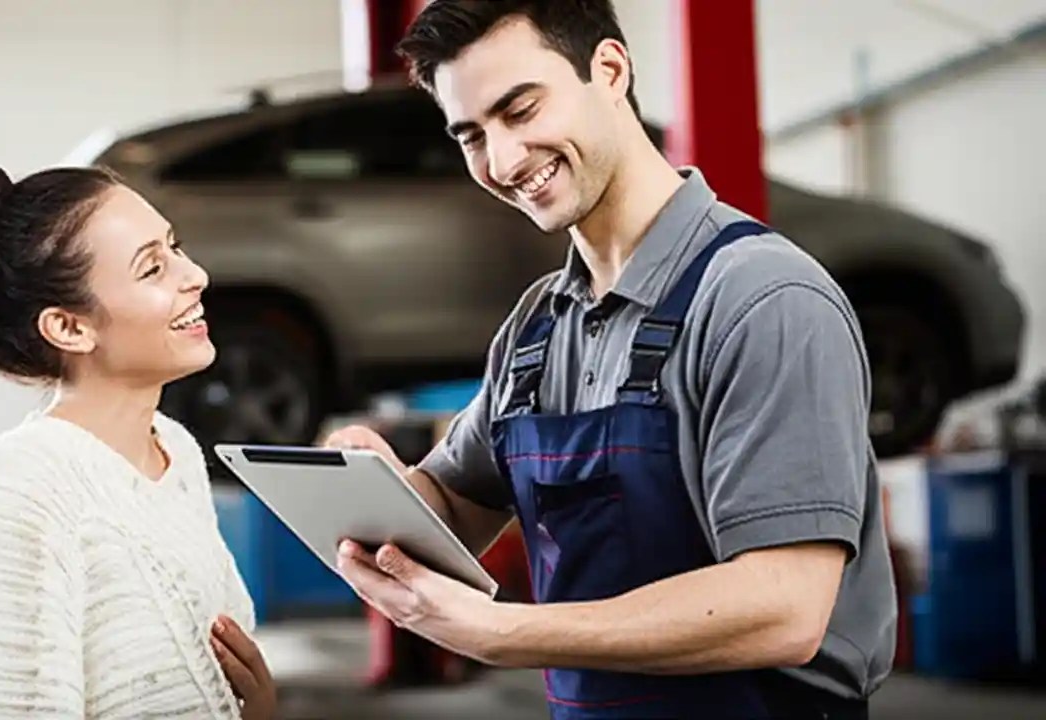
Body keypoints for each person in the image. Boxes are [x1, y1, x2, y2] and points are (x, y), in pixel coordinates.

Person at [323, 1, 896, 718]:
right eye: (472, 135)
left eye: (520, 109)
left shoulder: (764, 300)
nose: (501, 161)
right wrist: (372, 489)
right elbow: (455, 513)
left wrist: (506, 632)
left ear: (610, 69)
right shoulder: (538, 329)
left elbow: (784, 607)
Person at [0, 162, 277, 719]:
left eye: (176, 247)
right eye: (152, 268)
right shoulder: (14, 492)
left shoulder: (175, 452)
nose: (196, 275)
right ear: (69, 327)